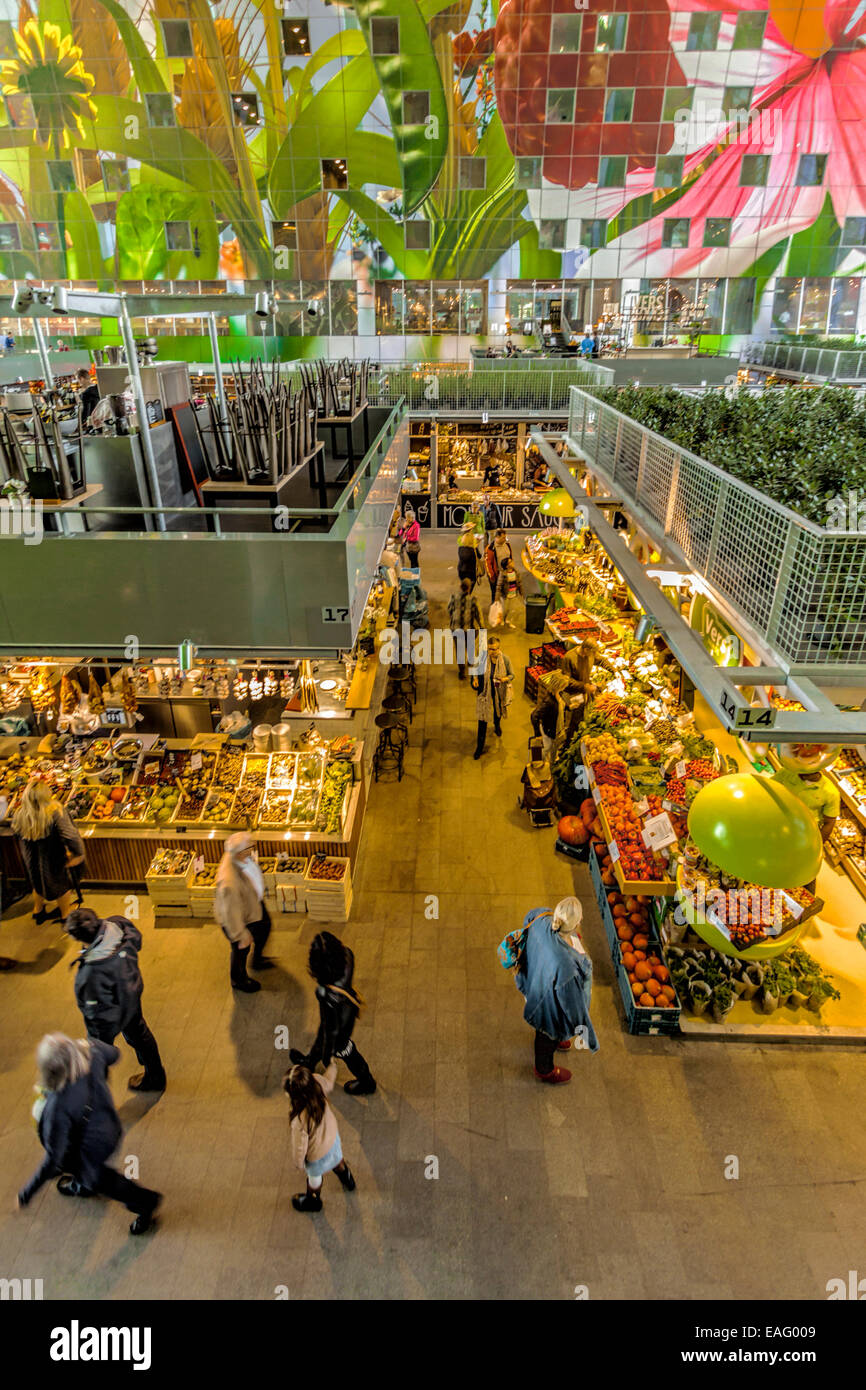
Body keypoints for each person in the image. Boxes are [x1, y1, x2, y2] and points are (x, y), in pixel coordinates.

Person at [17, 1034, 162, 1234]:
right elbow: (115, 1054)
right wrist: (87, 1045)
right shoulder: (91, 1054)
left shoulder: (56, 1106)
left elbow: (53, 1159)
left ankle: (146, 1203)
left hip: (90, 1147)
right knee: (89, 1172)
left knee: (102, 1179)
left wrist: (27, 1193)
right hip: (110, 1126)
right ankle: (83, 1185)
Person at [65, 907, 166, 1093]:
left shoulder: (92, 972)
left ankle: (95, 1097)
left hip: (109, 1016)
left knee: (98, 1055)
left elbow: (93, 1009)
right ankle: (156, 1077)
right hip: (131, 993)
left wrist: (97, 1030)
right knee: (140, 1034)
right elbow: (137, 939)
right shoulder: (119, 925)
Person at [513, 897, 599, 1083]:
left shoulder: (542, 916)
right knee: (546, 1033)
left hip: (533, 980)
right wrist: (585, 1032)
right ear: (576, 924)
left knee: (546, 1028)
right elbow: (572, 1005)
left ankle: (557, 1037)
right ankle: (544, 1069)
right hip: (547, 1003)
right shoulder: (567, 966)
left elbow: (529, 919)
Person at [289, 930, 376, 1095]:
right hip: (346, 1012)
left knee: (347, 1052)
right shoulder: (347, 956)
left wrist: (327, 1056)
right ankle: (309, 1062)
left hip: (339, 1027)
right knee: (322, 1036)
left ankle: (367, 1081)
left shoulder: (329, 996)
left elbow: (331, 1031)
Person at [284, 1061, 356, 1213]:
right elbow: (329, 1081)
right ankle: (347, 1178)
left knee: (315, 1179)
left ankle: (313, 1201)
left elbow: (300, 1145)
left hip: (316, 1154)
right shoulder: (318, 1084)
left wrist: (298, 1163)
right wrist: (332, 1066)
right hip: (333, 1138)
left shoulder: (300, 1119)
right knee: (338, 1160)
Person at [11, 777, 84, 924]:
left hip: (30, 858)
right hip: (52, 857)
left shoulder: (19, 814)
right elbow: (70, 835)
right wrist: (78, 853)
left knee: (37, 881)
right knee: (61, 885)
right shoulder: (54, 811)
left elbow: (16, 833)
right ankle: (66, 914)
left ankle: (38, 910)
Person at [214, 832, 272, 993]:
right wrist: (241, 934)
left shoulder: (237, 857)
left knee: (265, 927)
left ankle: (257, 959)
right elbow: (230, 913)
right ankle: (238, 980)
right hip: (241, 920)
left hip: (252, 905)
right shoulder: (229, 882)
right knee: (240, 950)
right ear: (240, 852)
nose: (253, 848)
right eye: (250, 847)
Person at [771, 757, 840, 890]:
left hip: (805, 836)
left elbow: (829, 823)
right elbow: (769, 788)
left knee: (804, 873)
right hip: (778, 827)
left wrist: (816, 846)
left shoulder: (830, 793)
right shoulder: (787, 773)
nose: (800, 771)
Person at [471, 635, 514, 759]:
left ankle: (497, 725)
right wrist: (474, 679)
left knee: (497, 712)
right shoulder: (483, 657)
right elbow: (474, 668)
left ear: (499, 648)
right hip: (485, 692)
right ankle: (479, 747)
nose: (492, 652)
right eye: (490, 649)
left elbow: (512, 675)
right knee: (482, 720)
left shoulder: (505, 659)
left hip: (499, 692)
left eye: (495, 649)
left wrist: (505, 678)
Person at [448, 577, 483, 680]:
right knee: (470, 647)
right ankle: (470, 662)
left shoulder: (453, 597)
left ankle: (462, 672)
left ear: (460, 587)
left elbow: (449, 609)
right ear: (469, 588)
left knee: (459, 650)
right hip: (470, 630)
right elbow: (478, 614)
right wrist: (482, 627)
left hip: (456, 629)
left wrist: (454, 620)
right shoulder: (473, 600)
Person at [493, 554, 523, 628]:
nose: (513, 562)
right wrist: (497, 597)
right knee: (504, 609)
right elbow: (499, 586)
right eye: (510, 562)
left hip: (513, 594)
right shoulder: (503, 574)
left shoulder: (516, 572)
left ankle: (509, 620)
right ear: (507, 566)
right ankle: (502, 619)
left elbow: (519, 583)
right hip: (505, 595)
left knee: (512, 609)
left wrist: (521, 591)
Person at [457, 519, 480, 591]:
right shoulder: (473, 549)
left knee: (464, 586)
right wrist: (476, 545)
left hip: (461, 570)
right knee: (470, 586)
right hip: (470, 571)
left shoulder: (460, 548)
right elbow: (479, 556)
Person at [483, 537, 500, 604]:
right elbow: (488, 564)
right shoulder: (490, 548)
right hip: (494, 576)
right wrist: (492, 576)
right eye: (503, 537)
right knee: (494, 591)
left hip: (502, 574)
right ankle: (494, 604)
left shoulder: (506, 545)